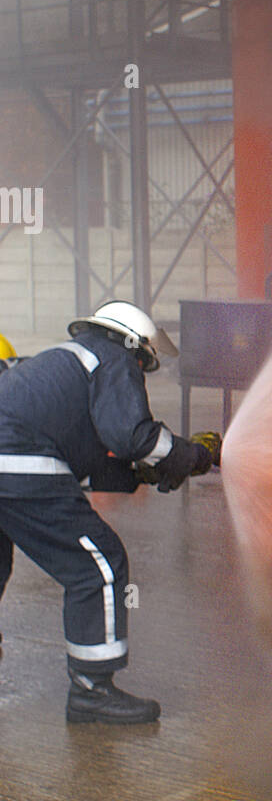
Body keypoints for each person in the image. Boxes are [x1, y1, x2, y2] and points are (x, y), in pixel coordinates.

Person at [0, 301, 213, 724]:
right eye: (143, 363)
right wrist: (190, 453)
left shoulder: (67, 363)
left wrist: (152, 471)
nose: (140, 372)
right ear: (133, 345)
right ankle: (91, 691)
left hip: (9, 461)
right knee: (98, 564)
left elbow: (106, 462)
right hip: (20, 463)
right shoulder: (112, 357)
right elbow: (132, 434)